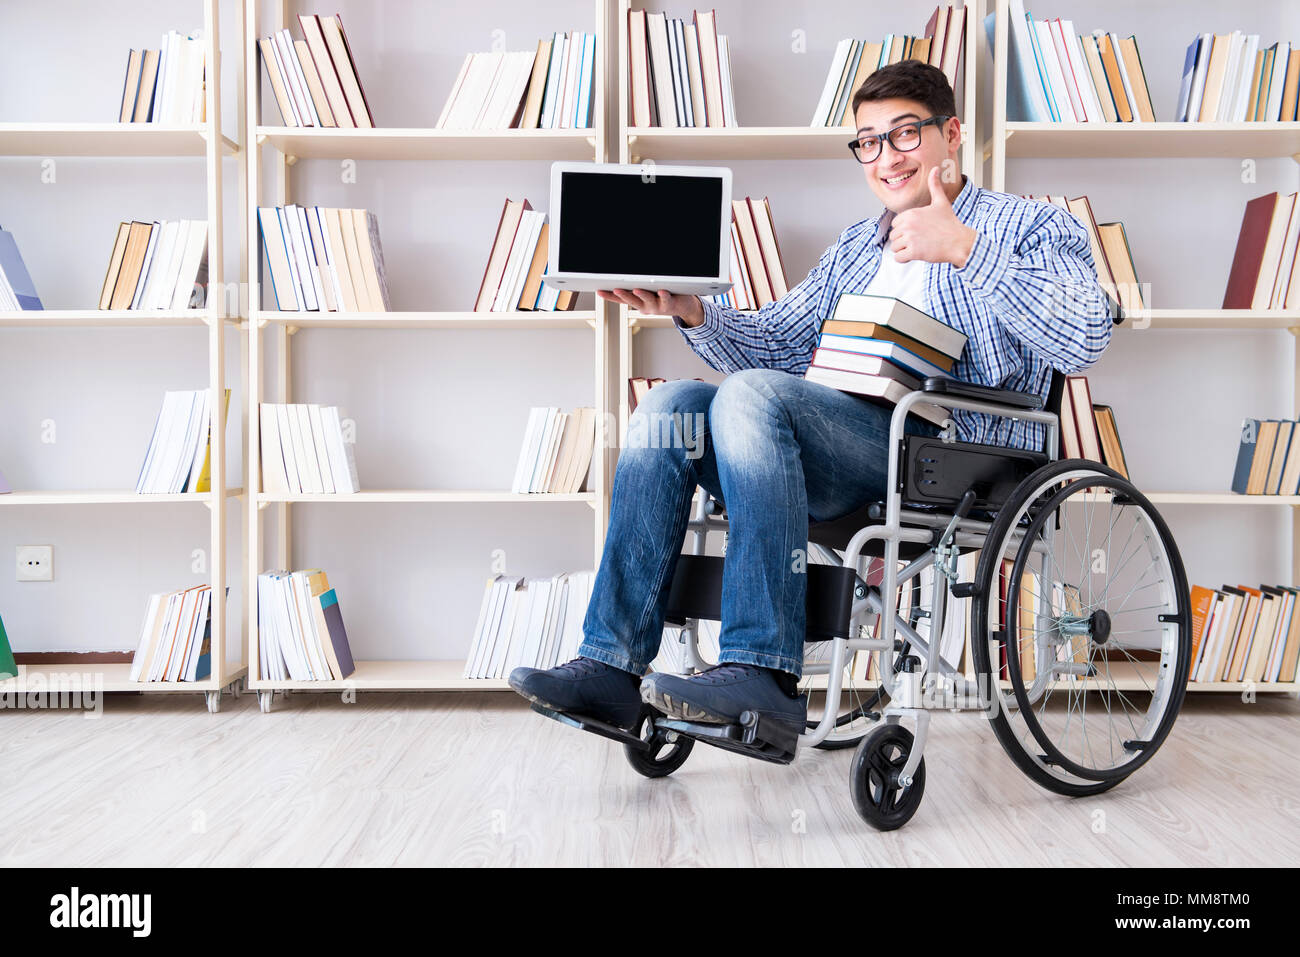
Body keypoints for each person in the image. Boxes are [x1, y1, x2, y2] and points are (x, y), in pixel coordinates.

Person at [508, 59, 1112, 735]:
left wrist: (965, 248)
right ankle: (611, 668)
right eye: (870, 141)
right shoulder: (858, 247)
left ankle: (762, 670)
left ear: (952, 134)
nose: (886, 157)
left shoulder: (1027, 226)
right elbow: (774, 345)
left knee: (750, 398)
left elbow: (1085, 334)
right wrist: (690, 310)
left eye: (905, 134)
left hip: (953, 455)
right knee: (670, 407)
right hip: (835, 443)